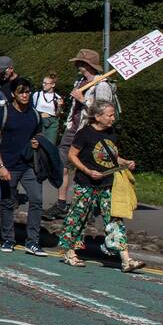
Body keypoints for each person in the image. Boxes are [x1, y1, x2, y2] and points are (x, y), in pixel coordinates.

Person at [58, 100, 144, 273]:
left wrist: (125, 162)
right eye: (110, 115)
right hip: (86, 184)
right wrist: (87, 171)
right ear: (97, 117)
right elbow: (72, 155)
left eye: (113, 114)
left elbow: (112, 157)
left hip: (107, 184)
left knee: (114, 219)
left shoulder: (111, 132)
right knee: (78, 217)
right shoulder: (85, 134)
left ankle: (126, 260)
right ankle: (69, 251)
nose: (113, 118)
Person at [52, 49, 119, 220]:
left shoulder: (101, 85)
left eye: (79, 63)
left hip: (87, 131)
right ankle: (60, 203)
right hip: (72, 128)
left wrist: (83, 100)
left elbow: (103, 112)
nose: (76, 65)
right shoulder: (79, 82)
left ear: (87, 65)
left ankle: (85, 207)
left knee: (84, 169)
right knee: (63, 165)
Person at [0, 76, 46, 255]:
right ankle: (8, 239)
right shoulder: (2, 114)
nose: (25, 95)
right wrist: (0, 166)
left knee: (36, 200)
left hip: (29, 165)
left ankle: (33, 241)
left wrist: (36, 142)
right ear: (13, 94)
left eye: (28, 92)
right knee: (8, 202)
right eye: (21, 92)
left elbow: (38, 135)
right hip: (8, 165)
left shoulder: (34, 114)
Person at [33, 72, 63, 146]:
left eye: (46, 83)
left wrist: (59, 106)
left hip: (52, 123)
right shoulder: (37, 95)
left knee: (50, 145)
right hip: (39, 121)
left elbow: (57, 114)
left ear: (53, 84)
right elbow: (33, 108)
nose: (43, 85)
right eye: (43, 83)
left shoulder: (57, 97)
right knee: (37, 143)